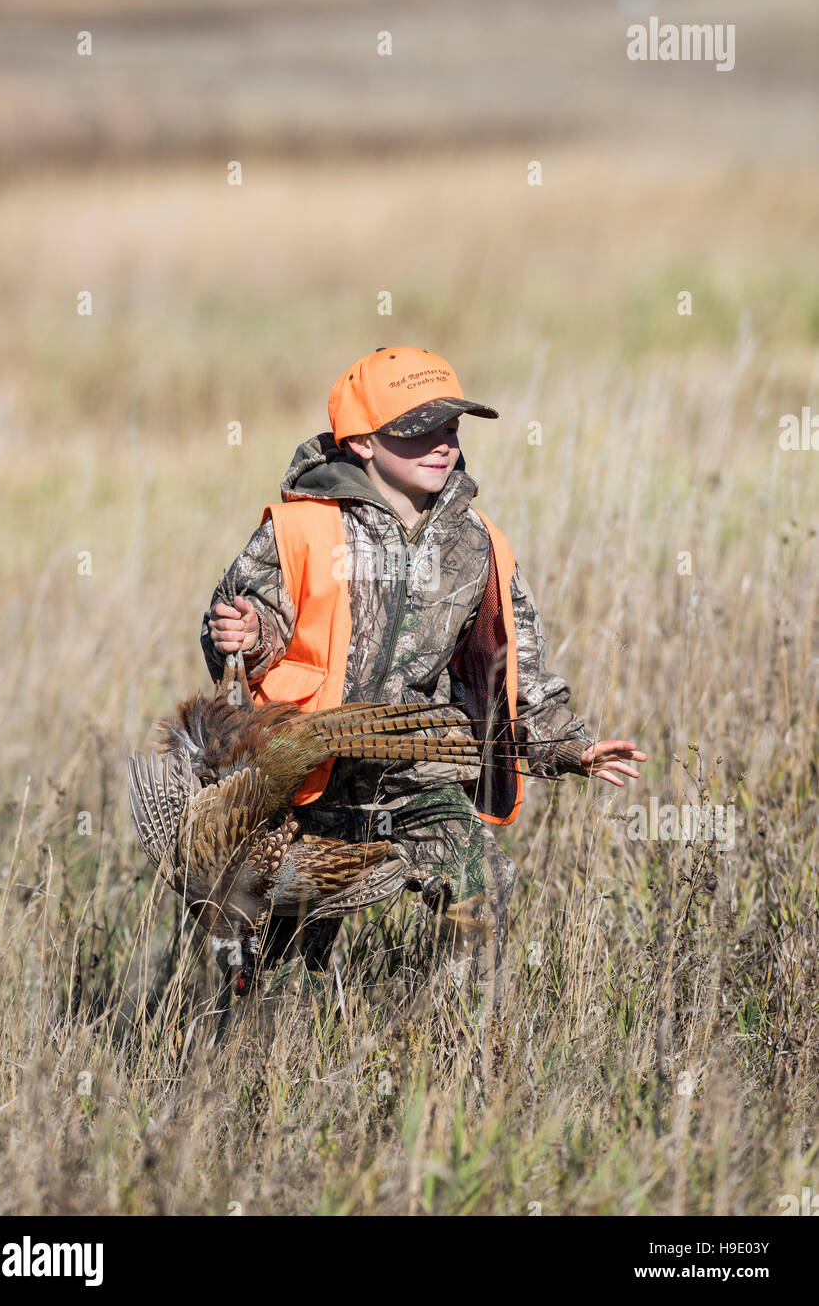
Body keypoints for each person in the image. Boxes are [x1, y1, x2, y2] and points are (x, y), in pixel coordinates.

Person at [201, 346, 645, 996]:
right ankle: (250, 1045)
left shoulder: (476, 543)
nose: (440, 445)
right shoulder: (298, 531)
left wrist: (569, 748)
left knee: (482, 885)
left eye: (449, 428)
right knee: (277, 957)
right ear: (360, 442)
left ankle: (446, 1048)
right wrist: (242, 635)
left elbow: (515, 670)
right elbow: (249, 630)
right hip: (301, 780)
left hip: (412, 774)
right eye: (416, 432)